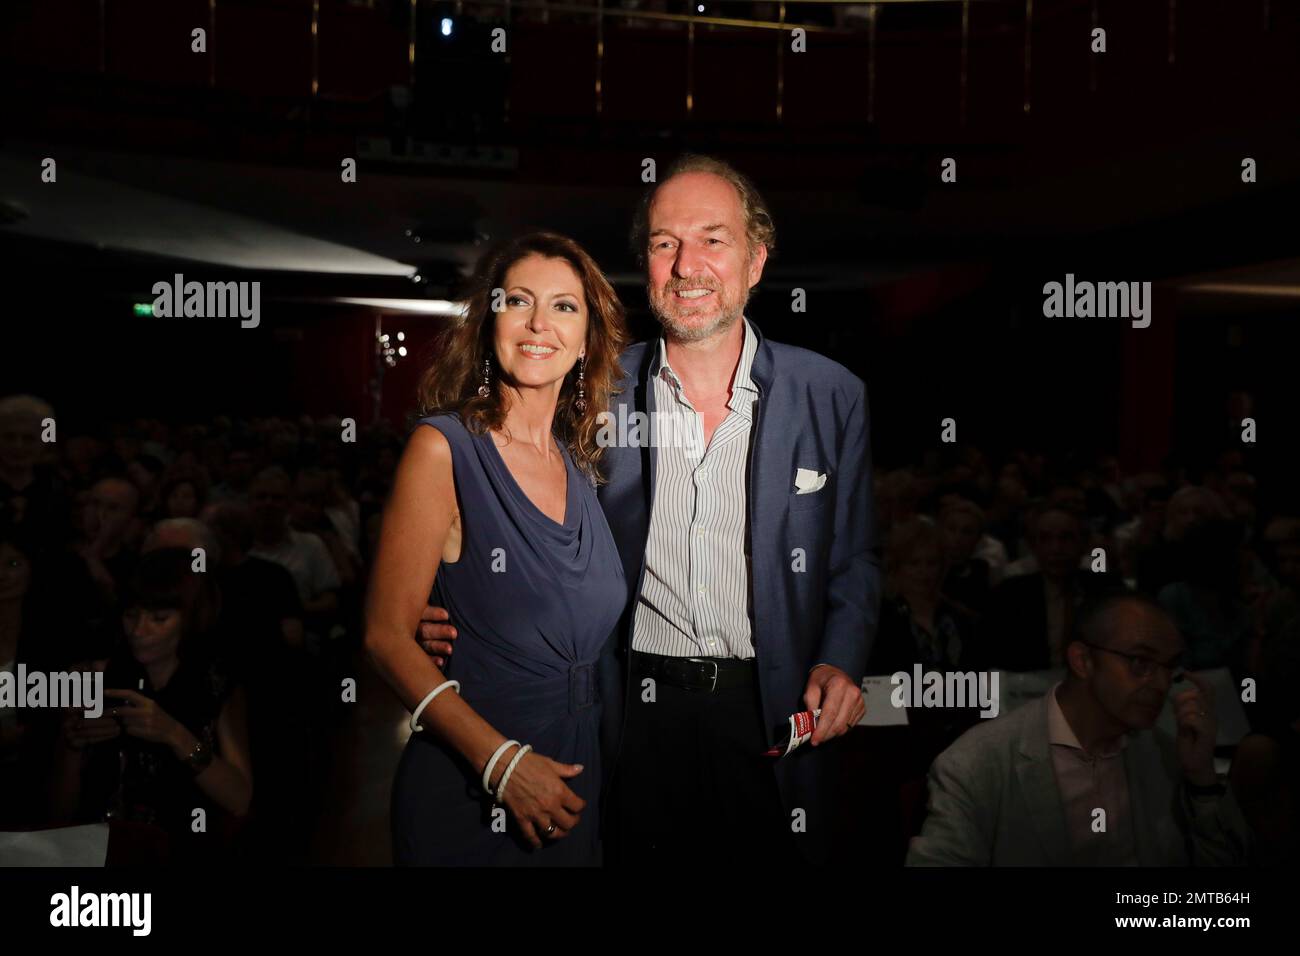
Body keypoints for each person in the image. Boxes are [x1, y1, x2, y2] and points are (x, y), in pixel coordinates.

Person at [419, 154, 880, 866]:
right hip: (627, 711)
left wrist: (840, 662)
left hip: (772, 707)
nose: (687, 265)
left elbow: (854, 560)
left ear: (757, 260)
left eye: (712, 240)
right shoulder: (591, 392)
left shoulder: (831, 394)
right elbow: (510, 509)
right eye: (666, 243)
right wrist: (452, 605)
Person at [365, 231, 629, 865]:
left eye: (564, 306)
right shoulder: (443, 449)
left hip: (578, 773)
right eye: (518, 301)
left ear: (587, 339)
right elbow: (385, 637)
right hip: (476, 782)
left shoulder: (581, 464)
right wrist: (502, 764)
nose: (539, 323)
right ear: (489, 323)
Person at [907, 592, 1250, 866]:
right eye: (1140, 662)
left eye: (1169, 667)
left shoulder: (1163, 752)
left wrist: (1202, 778)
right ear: (1083, 660)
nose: (1161, 683)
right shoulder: (977, 763)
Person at [50, 548, 253, 864]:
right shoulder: (93, 678)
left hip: (183, 850)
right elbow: (59, 814)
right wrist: (72, 745)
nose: (139, 631)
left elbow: (239, 799)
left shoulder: (216, 684)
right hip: (101, 849)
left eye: (159, 619)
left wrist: (175, 735)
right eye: (131, 615)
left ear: (190, 620)